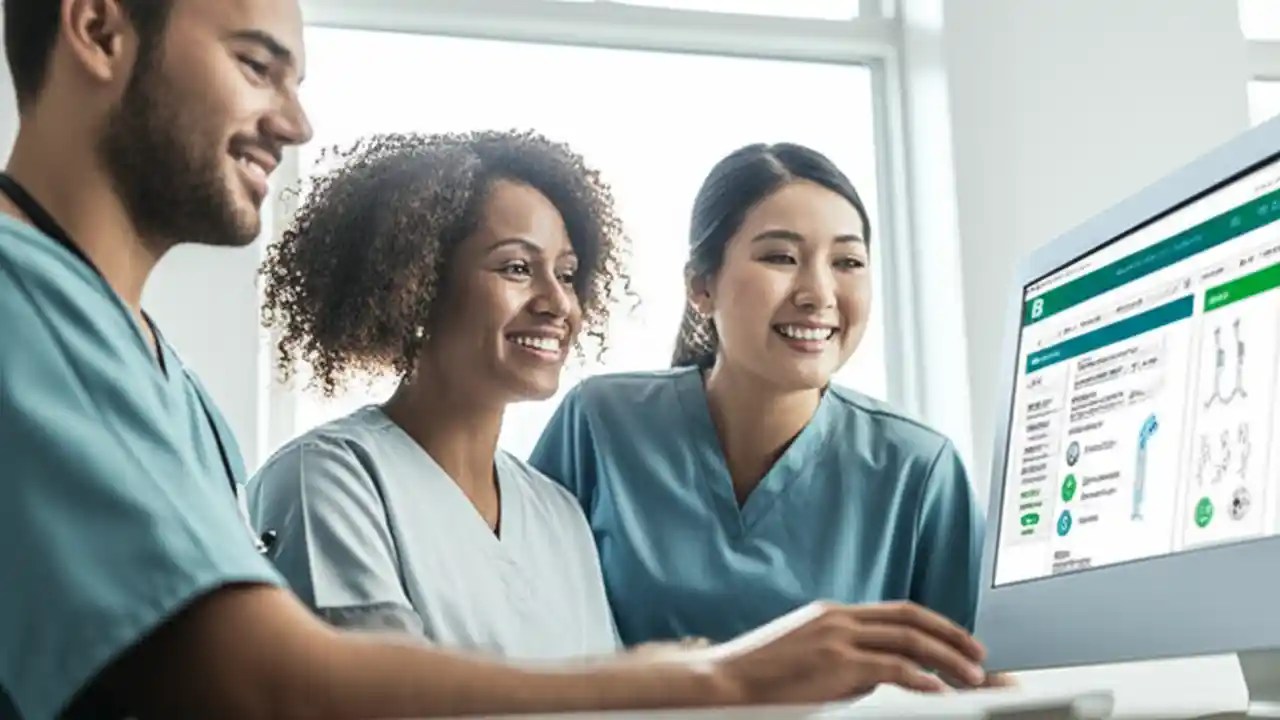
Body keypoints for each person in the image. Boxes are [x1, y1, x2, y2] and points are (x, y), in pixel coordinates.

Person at [0, 0, 994, 717]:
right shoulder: (22, 307)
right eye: (258, 65)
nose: (297, 121)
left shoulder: (165, 387)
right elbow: (261, 681)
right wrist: (719, 675)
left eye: (566, 272)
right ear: (98, 27)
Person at [530, 142, 987, 651]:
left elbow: (979, 678)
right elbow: (518, 623)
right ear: (702, 286)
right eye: (781, 257)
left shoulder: (919, 470)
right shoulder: (600, 424)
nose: (818, 292)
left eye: (848, 261)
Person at [249, 129, 629, 660]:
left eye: (566, 274)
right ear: (417, 285)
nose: (557, 302)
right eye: (517, 267)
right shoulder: (327, 481)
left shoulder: (559, 516)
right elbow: (375, 701)